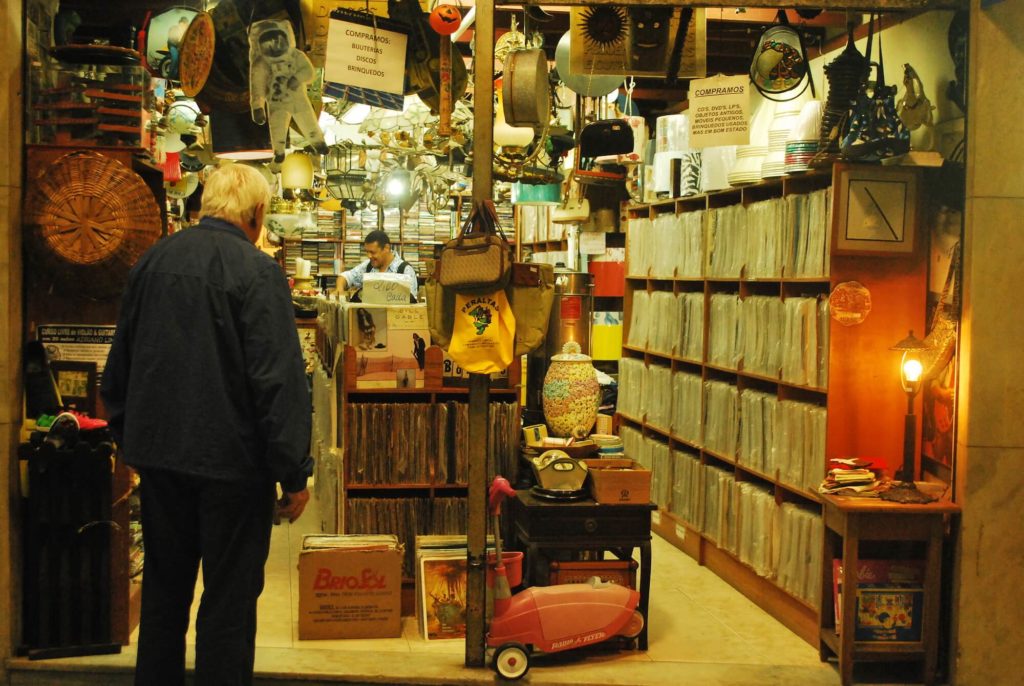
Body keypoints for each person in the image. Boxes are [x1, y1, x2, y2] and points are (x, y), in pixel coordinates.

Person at [101, 164, 313, 686]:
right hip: (233, 467)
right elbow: (277, 380)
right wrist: (294, 472)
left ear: (205, 203)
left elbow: (120, 364)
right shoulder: (257, 271)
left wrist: (130, 440)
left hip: (162, 461)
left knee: (163, 596)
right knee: (229, 603)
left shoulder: (154, 260)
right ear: (257, 214)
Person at [337, 229, 419, 302]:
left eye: (372, 252)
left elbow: (411, 305)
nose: (369, 256)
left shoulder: (405, 270)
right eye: (367, 252)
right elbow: (345, 277)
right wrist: (340, 291)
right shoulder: (368, 265)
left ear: (386, 248)